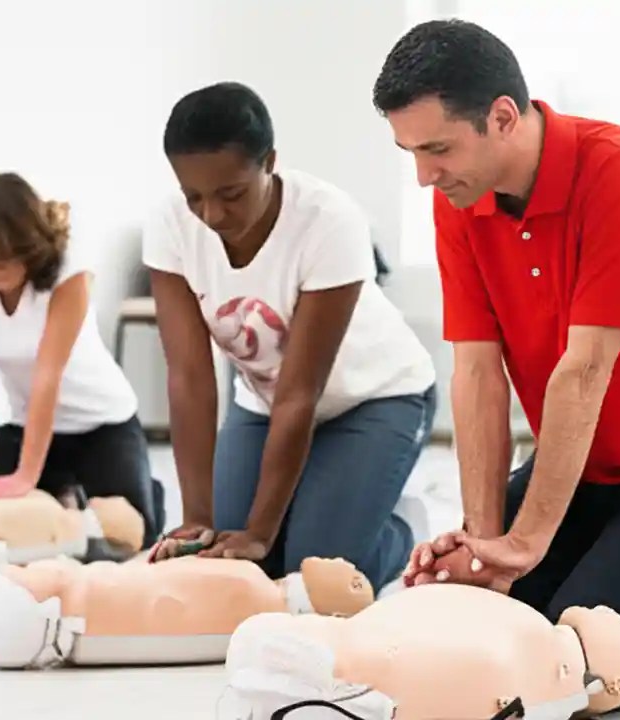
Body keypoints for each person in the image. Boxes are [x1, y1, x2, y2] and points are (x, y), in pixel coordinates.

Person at [373, 19, 620, 708]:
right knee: (466, 617)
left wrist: (526, 540)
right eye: (411, 152)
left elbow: (585, 370)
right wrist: (484, 542)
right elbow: (476, 376)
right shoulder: (459, 200)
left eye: (437, 149)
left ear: (502, 117)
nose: (424, 176)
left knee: (574, 656)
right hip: (585, 468)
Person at [142, 82, 437, 591]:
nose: (212, 216)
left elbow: (301, 393)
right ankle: (320, 516)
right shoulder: (170, 225)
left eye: (231, 194)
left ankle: (401, 533)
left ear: (269, 162)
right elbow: (189, 377)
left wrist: (259, 530)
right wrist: (197, 519)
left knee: (310, 574)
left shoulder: (328, 221)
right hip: (261, 405)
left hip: (376, 398)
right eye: (195, 196)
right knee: (232, 563)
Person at [0, 172, 162, 548]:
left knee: (131, 536)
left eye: (3, 262)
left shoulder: (70, 275)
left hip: (102, 425)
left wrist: (25, 475)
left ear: (30, 247)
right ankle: (59, 492)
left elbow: (47, 374)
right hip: (30, 428)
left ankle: (136, 489)